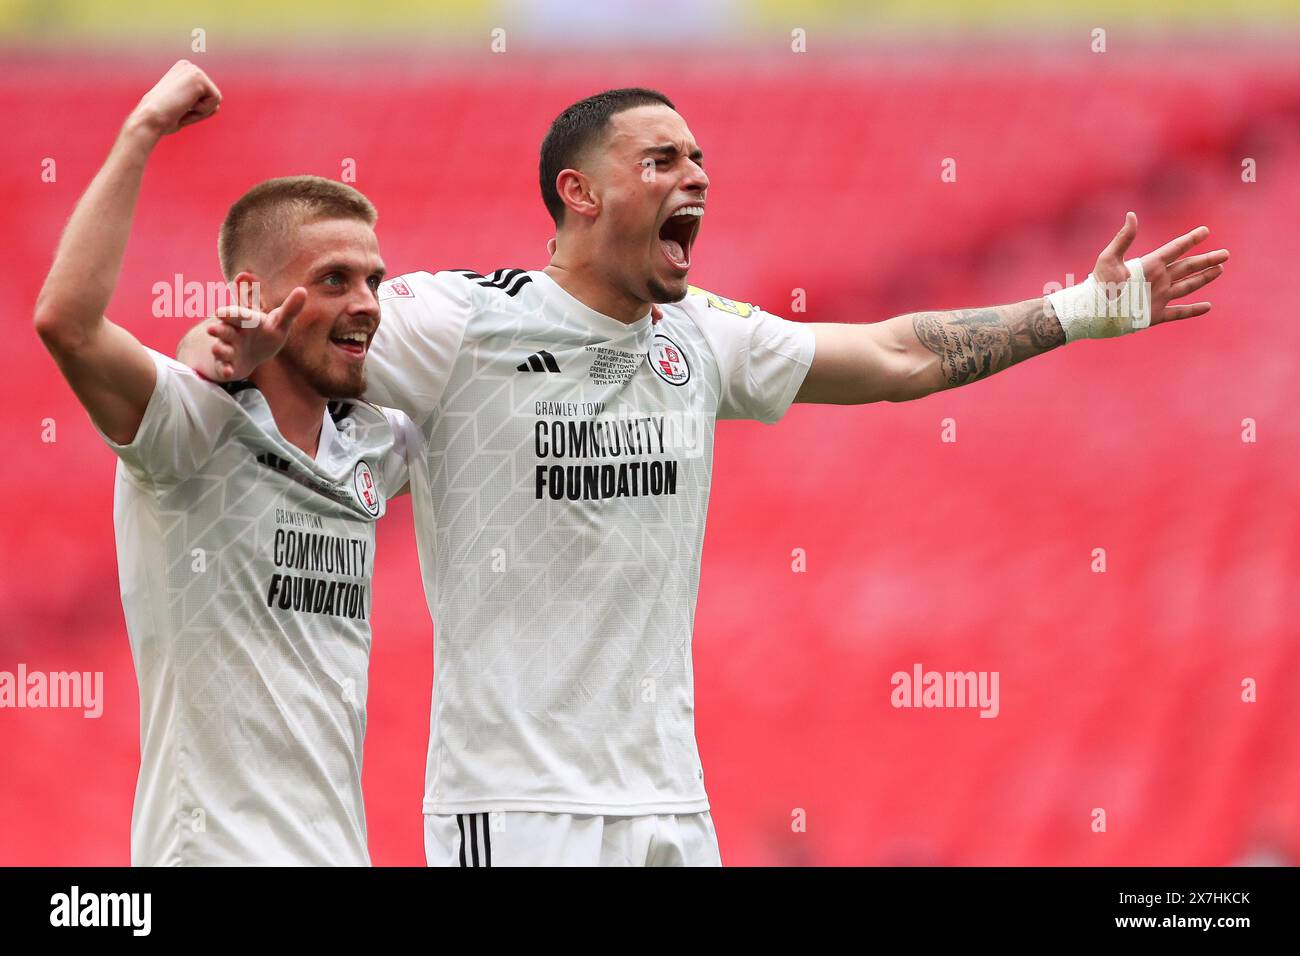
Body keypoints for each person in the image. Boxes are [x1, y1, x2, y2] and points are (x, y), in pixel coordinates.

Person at [180, 87, 1228, 867]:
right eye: (661, 158)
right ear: (578, 191)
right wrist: (209, 344)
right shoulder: (464, 320)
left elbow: (896, 357)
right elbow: (302, 324)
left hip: (672, 805)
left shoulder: (702, 335)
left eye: (699, 158)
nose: (695, 176)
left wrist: (1081, 311)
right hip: (517, 802)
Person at [35, 60, 414, 865]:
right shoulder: (188, 425)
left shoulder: (376, 442)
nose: (368, 302)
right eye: (334, 279)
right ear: (252, 291)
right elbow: (66, 322)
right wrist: (143, 130)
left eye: (374, 279)